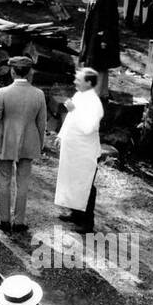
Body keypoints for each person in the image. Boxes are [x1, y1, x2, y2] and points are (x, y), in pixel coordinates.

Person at [0, 56, 48, 234]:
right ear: (30, 73)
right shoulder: (39, 94)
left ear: (12, 72)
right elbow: (42, 123)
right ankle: (19, 221)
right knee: (23, 184)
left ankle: (4, 219)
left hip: (5, 141)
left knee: (3, 181)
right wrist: (39, 145)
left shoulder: (3, 92)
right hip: (29, 143)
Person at [54, 66, 104, 232]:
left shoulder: (94, 103)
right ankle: (76, 213)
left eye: (79, 79)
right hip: (72, 148)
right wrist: (61, 136)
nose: (75, 81)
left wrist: (73, 110)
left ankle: (87, 222)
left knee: (85, 184)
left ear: (89, 83)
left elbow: (88, 127)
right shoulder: (79, 95)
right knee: (72, 180)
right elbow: (69, 119)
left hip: (85, 151)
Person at [79, 0, 121, 97]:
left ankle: (97, 94)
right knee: (93, 61)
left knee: (99, 64)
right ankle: (100, 92)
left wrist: (105, 37)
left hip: (101, 34)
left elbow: (111, 19)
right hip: (92, 33)